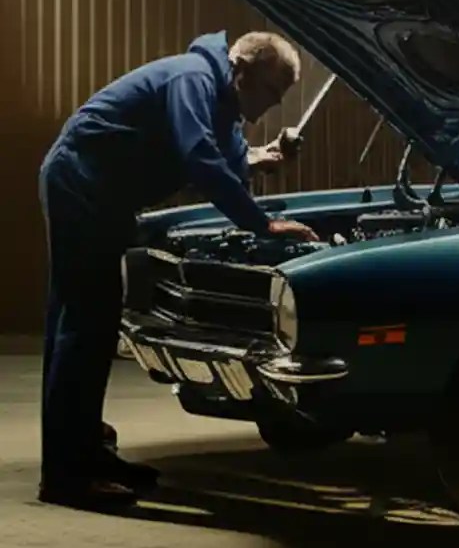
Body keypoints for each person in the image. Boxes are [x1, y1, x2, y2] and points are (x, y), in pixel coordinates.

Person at [38, 30, 318, 509]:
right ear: (241, 70)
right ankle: (67, 475)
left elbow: (227, 158)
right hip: (81, 183)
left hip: (99, 192)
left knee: (89, 324)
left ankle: (85, 452)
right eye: (273, 91)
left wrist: (265, 156)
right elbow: (199, 156)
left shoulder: (222, 107)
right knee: (83, 325)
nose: (273, 105)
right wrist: (262, 223)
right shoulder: (193, 78)